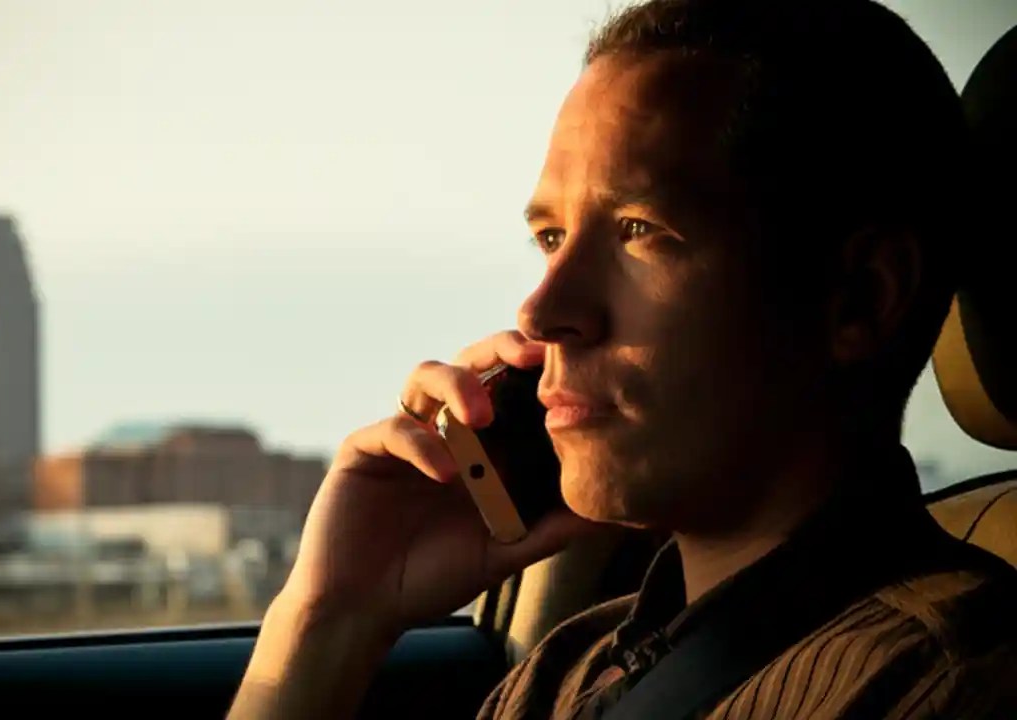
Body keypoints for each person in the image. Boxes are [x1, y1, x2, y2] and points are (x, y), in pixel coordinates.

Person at [228, 0, 1017, 717]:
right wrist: (327, 621)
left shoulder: (949, 683)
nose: (539, 311)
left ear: (861, 297)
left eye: (640, 231)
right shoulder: (567, 670)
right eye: (550, 238)